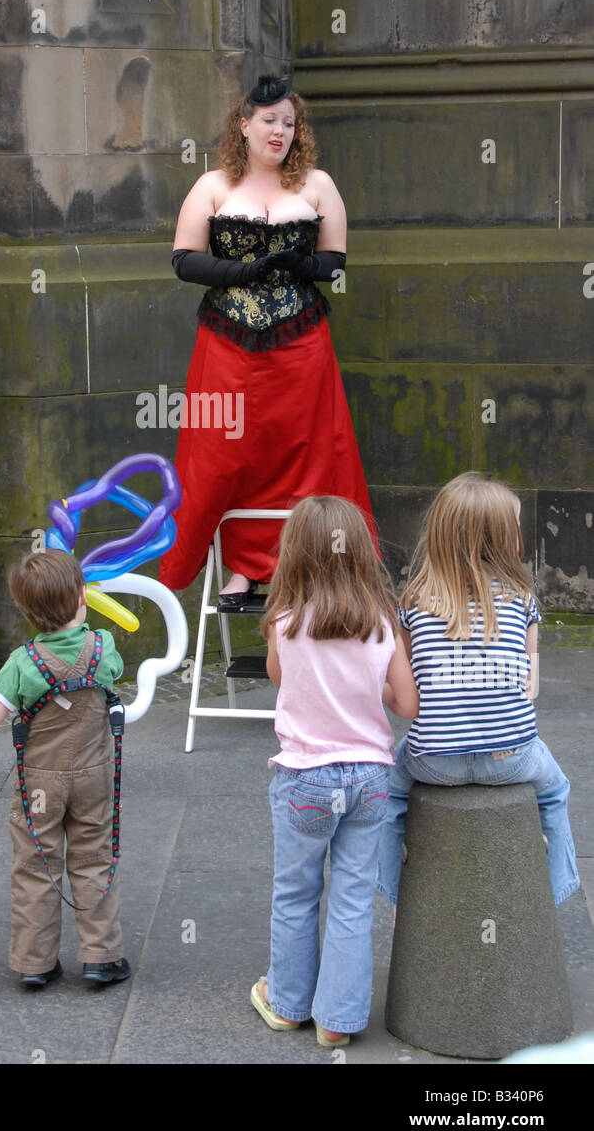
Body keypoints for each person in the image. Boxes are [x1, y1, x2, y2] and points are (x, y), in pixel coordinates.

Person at [158, 73, 378, 603]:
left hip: (301, 343)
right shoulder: (212, 186)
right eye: (268, 121)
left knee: (307, 453)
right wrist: (241, 272)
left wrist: (299, 264)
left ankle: (302, 566)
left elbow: (334, 260)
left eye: (288, 122)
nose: (278, 131)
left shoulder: (318, 185)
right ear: (243, 125)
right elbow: (184, 260)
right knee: (228, 454)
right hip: (227, 342)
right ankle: (243, 568)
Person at [251, 496, 420, 1046]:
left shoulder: (283, 621)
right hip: (370, 778)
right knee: (351, 898)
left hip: (305, 779)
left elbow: (282, 681)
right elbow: (407, 705)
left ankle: (288, 1002)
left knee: (296, 894)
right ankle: (337, 1023)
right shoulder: (381, 623)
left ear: (295, 555)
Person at [376, 472, 579, 908]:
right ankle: (558, 891)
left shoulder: (412, 602)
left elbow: (408, 690)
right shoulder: (522, 599)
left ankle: (394, 897)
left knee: (389, 795)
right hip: (512, 759)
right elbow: (529, 686)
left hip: (433, 762)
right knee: (557, 789)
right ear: (503, 539)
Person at [0, 550, 132, 989]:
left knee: (35, 867)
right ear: (82, 599)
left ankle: (35, 962)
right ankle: (100, 958)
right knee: (94, 860)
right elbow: (115, 676)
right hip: (93, 775)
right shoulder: (103, 648)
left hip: (39, 785)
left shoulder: (23, 662)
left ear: (28, 613)